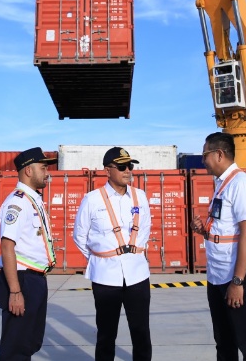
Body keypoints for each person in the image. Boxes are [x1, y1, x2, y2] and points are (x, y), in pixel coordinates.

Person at [73, 147, 153, 361]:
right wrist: (100, 259)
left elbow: (145, 228)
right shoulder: (92, 200)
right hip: (105, 277)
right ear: (108, 170)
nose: (128, 171)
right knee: (106, 334)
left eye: (130, 166)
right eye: (122, 167)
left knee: (141, 332)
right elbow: (79, 236)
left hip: (137, 274)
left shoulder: (140, 197)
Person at [191, 132, 246, 361]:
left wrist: (237, 282)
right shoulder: (222, 184)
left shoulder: (241, 184)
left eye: (205, 155)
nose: (203, 160)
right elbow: (225, 229)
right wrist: (204, 229)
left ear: (219, 154)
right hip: (217, 276)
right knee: (224, 343)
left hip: (235, 277)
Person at [0, 147, 57, 360]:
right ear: (28, 171)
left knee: (30, 342)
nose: (47, 172)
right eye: (43, 168)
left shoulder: (33, 199)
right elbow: (7, 246)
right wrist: (15, 291)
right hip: (22, 280)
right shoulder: (18, 202)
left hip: (34, 279)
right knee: (16, 349)